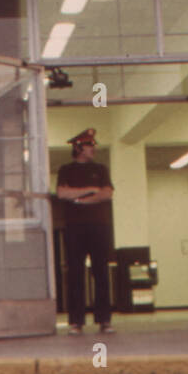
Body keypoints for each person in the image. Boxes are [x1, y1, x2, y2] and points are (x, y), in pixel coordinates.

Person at [55, 128, 115, 335]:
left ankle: (104, 320)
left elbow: (107, 193)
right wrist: (90, 190)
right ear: (79, 148)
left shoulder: (101, 169)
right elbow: (62, 192)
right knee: (75, 274)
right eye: (90, 145)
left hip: (99, 226)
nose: (93, 149)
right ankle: (76, 322)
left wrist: (80, 200)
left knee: (101, 272)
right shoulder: (66, 170)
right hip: (74, 228)